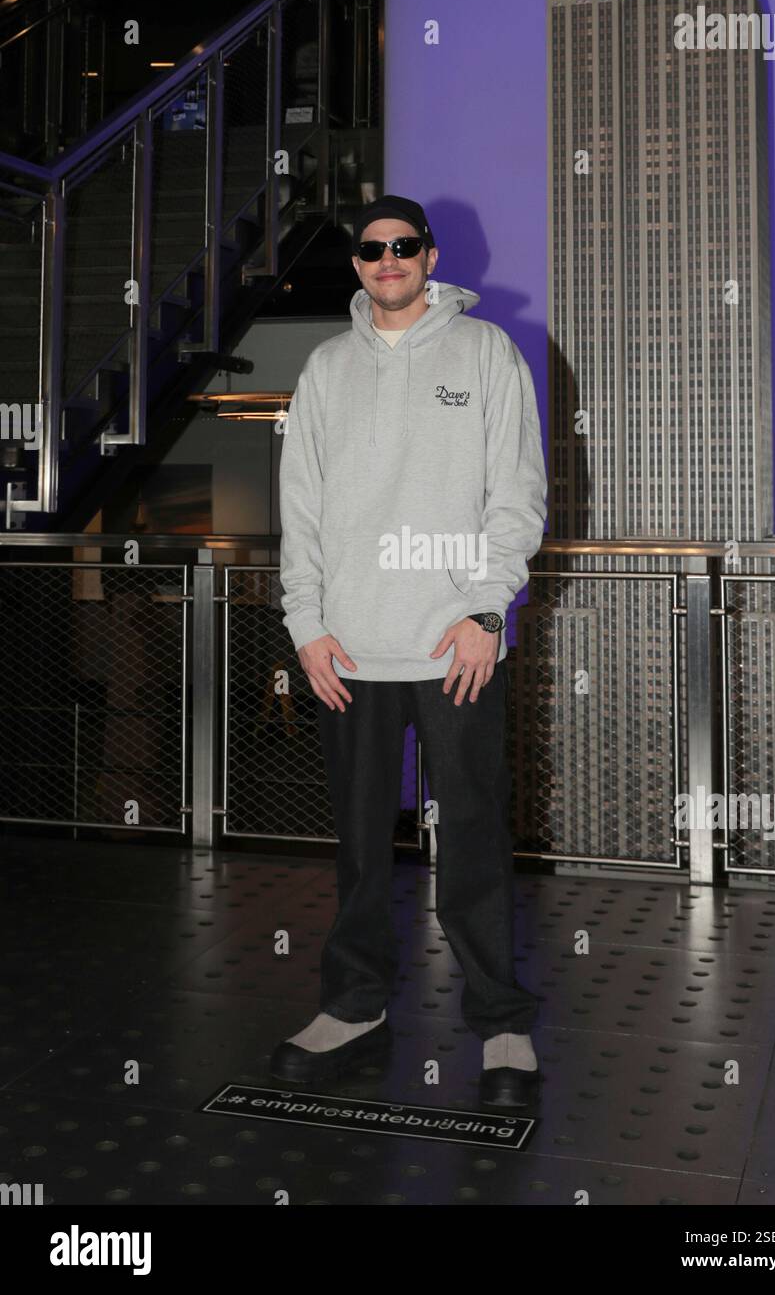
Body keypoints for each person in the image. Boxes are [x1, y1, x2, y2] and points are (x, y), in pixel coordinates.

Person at [271, 195, 548, 1108]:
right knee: (357, 843)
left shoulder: (486, 354)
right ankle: (353, 1006)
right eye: (370, 248)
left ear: (429, 258)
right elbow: (299, 513)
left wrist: (485, 612)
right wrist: (305, 625)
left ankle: (500, 1018)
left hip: (454, 644)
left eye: (403, 246)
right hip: (349, 648)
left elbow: (515, 496)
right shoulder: (324, 369)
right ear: (356, 264)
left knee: (471, 836)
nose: (387, 259)